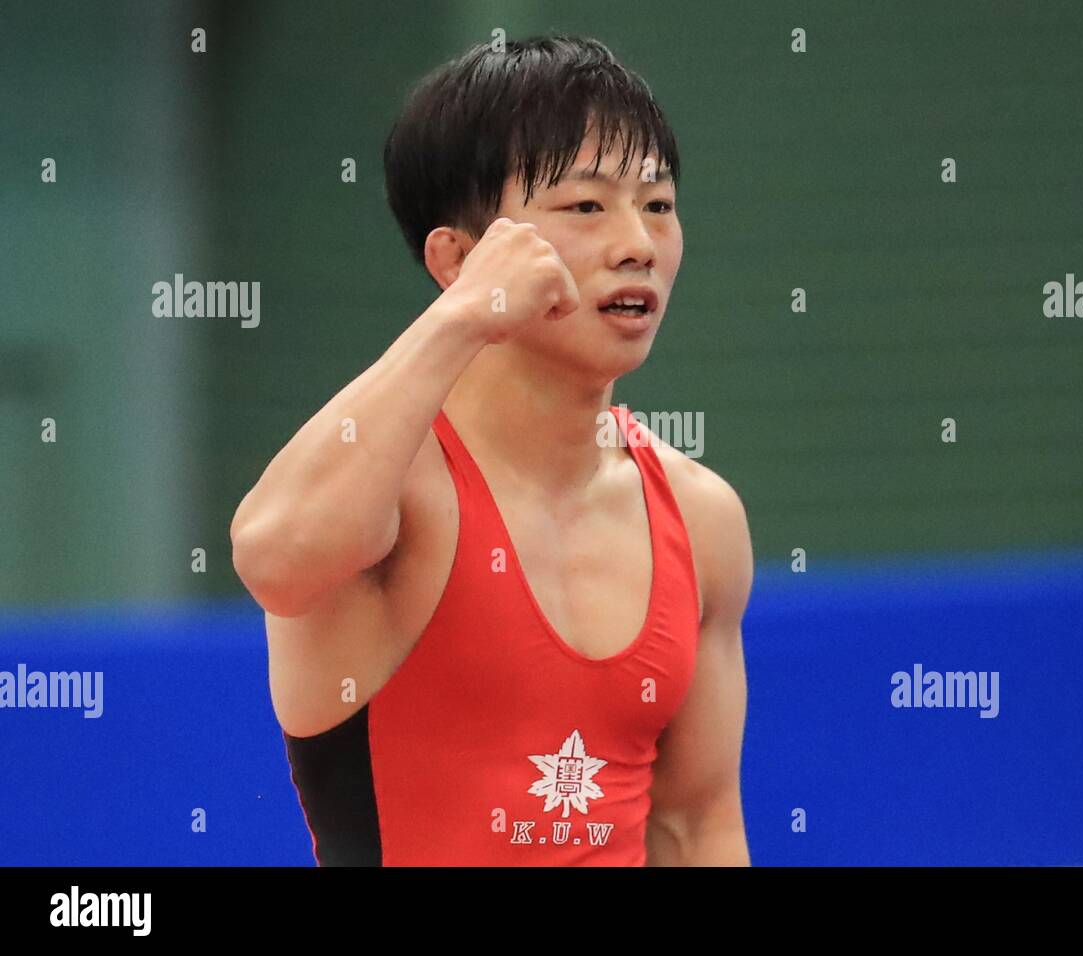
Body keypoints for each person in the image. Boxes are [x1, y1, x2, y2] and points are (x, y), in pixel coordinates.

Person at [230, 34, 752, 866]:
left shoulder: (701, 515)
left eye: (657, 204)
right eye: (587, 206)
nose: (638, 245)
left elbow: (695, 827)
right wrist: (465, 315)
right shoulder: (393, 498)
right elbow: (272, 557)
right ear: (460, 258)